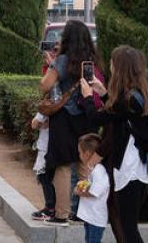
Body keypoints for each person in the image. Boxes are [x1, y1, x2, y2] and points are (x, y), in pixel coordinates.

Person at [82, 45, 148, 243]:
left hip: (130, 169)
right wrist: (104, 93)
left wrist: (88, 96)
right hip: (139, 167)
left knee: (127, 228)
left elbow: (96, 118)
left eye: (113, 63)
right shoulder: (141, 93)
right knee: (127, 225)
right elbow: (119, 117)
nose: (110, 67)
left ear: (120, 68)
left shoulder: (127, 99)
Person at [37, 20, 102, 224]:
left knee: (63, 166)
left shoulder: (63, 61)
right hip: (86, 115)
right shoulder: (93, 60)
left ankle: (62, 214)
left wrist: (52, 64)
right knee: (84, 166)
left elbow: (44, 85)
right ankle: (84, 213)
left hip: (64, 118)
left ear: (66, 38)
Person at [75, 133, 110, 243]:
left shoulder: (99, 170)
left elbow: (95, 191)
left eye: (80, 152)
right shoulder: (93, 169)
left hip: (96, 218)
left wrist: (79, 192)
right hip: (90, 216)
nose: (79, 155)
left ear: (87, 153)